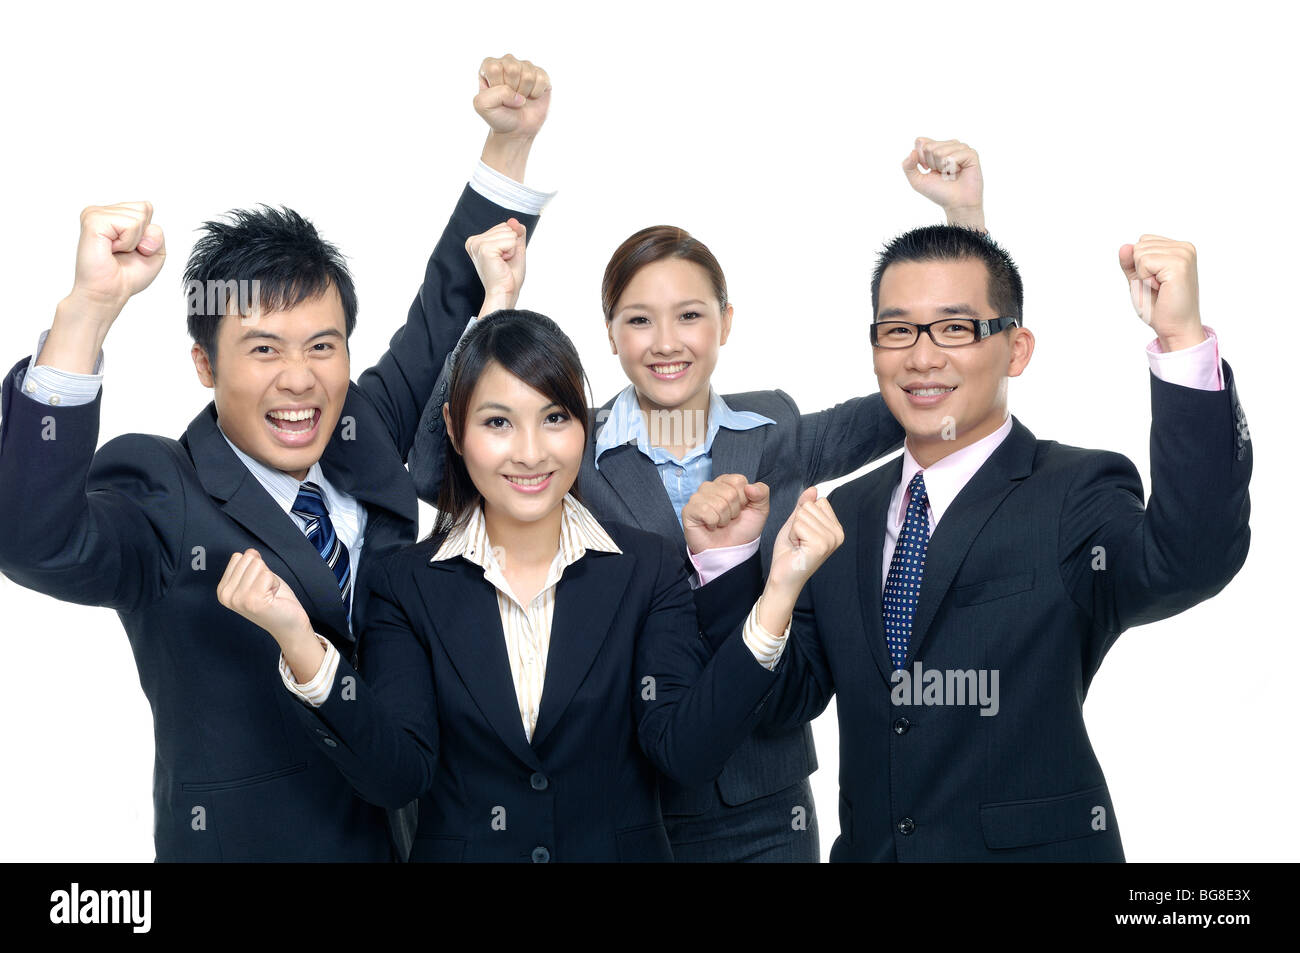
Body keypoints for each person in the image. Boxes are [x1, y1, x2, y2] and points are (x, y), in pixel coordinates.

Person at [0, 53, 553, 861]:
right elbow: (31, 540)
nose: (301, 379)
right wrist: (86, 312)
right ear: (205, 366)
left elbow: (448, 302)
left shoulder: (361, 427)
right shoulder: (161, 490)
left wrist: (505, 147)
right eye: (263, 348)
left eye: (322, 345)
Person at [407, 137, 985, 861]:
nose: (665, 342)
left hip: (763, 802)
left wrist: (966, 224)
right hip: (625, 797)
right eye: (638, 319)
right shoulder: (567, 446)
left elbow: (918, 400)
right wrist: (497, 306)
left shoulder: (775, 427)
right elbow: (434, 467)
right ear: (610, 333)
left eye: (689, 316)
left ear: (726, 324)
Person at [215, 309, 846, 862]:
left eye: (554, 418)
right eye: (497, 423)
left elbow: (684, 753)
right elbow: (397, 776)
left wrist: (777, 595)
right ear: (455, 431)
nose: (530, 452)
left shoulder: (647, 568)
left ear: (583, 427)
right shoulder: (404, 582)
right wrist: (301, 645)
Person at [713, 225, 1252, 860]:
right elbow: (778, 703)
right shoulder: (840, 516)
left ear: (1017, 349)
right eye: (897, 330)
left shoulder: (1073, 492)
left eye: (955, 329)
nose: (921, 357)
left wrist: (1181, 342)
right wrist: (728, 561)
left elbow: (1189, 558)